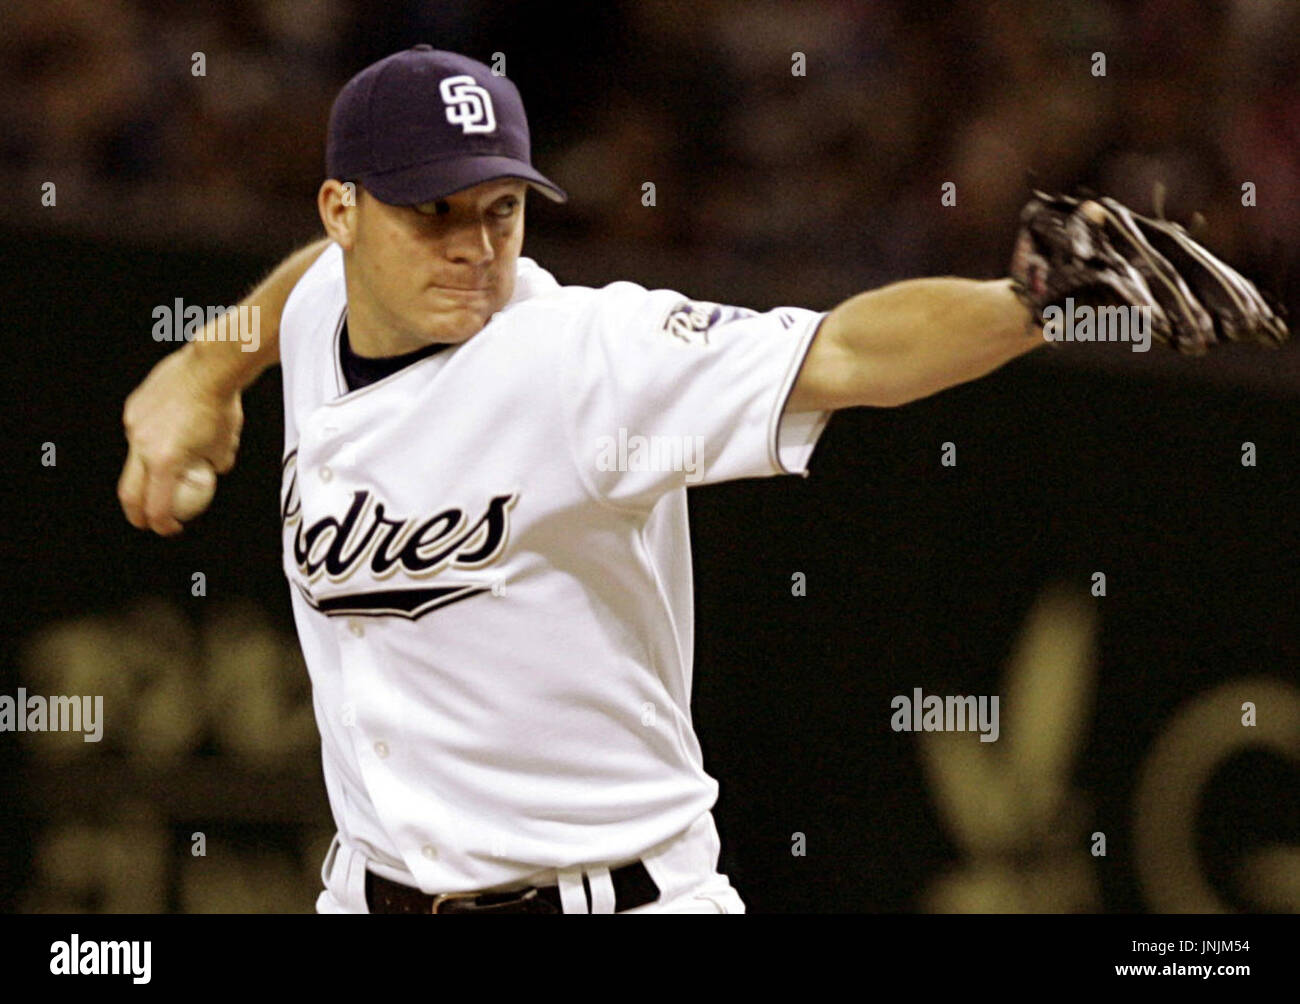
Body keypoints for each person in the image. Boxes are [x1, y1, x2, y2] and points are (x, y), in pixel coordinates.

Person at [119, 46, 1042, 913]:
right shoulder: (330, 299)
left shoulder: (588, 356)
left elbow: (845, 350)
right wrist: (204, 369)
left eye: (499, 209)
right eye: (431, 209)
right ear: (341, 210)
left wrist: (1031, 304)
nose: (473, 246)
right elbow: (307, 283)